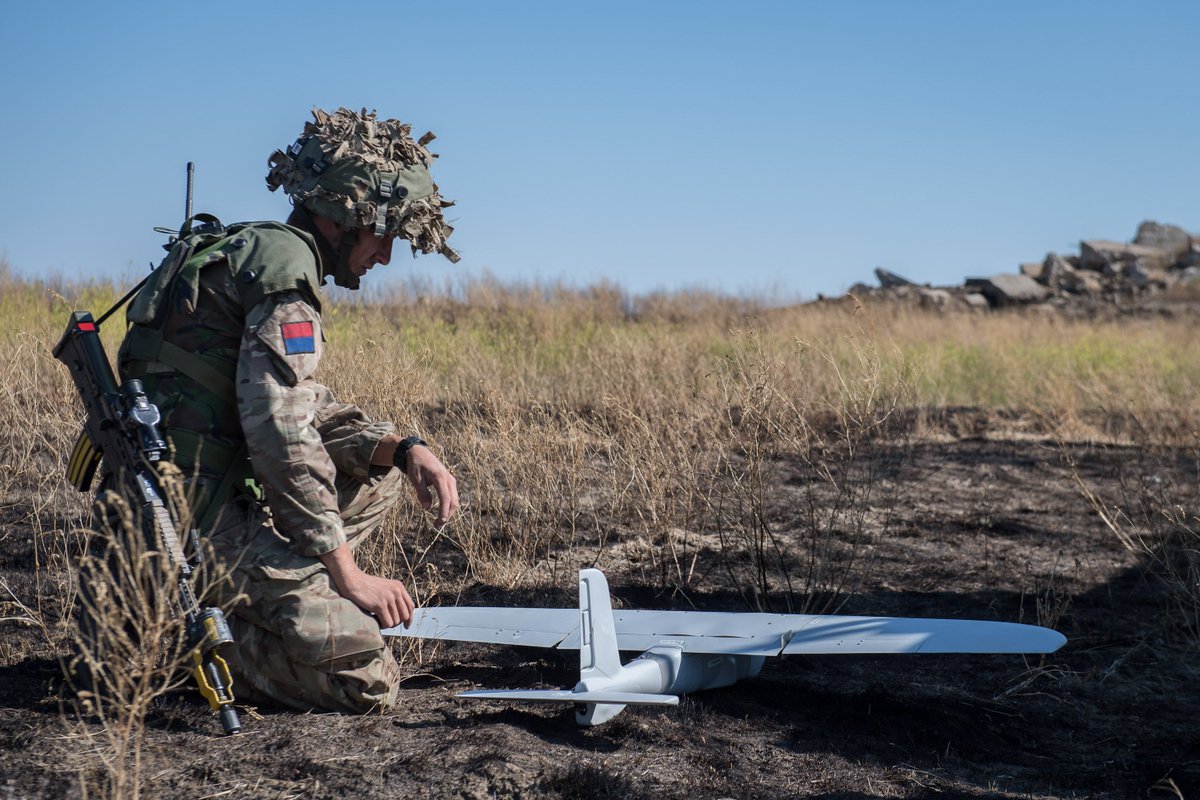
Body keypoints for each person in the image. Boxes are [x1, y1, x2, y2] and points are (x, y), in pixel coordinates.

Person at [115, 107, 461, 713]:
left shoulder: (253, 249)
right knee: (368, 677)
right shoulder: (286, 274)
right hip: (192, 524)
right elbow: (281, 432)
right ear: (348, 217)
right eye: (386, 235)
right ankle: (170, 648)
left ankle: (258, 599)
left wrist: (407, 451)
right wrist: (350, 577)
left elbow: (297, 401)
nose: (385, 257)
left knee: (379, 481)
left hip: (180, 499)